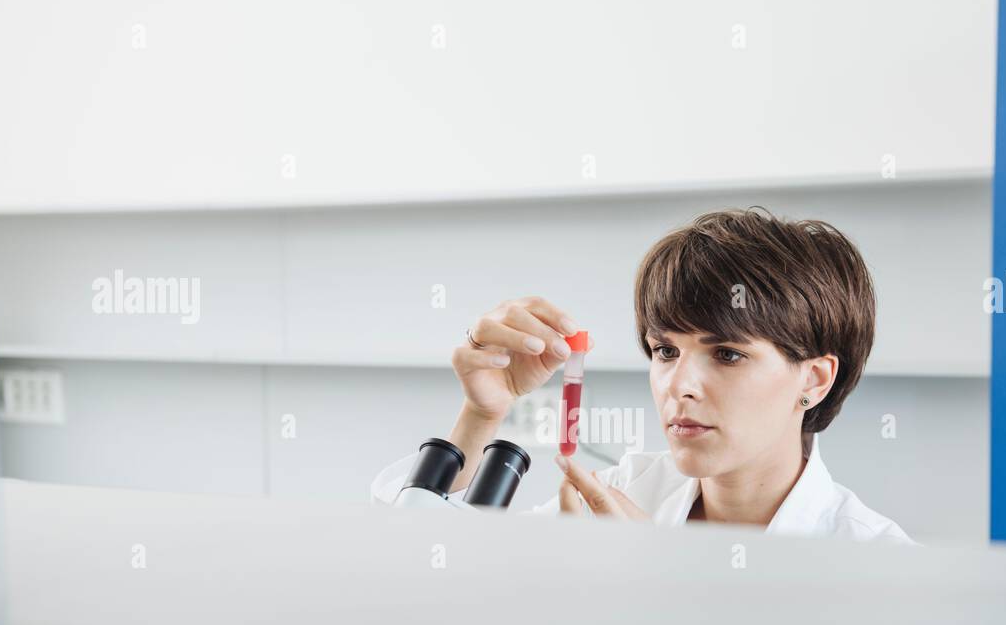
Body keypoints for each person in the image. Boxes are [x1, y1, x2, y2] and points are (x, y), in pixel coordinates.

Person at [371, 207, 913, 544]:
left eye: (726, 354)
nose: (680, 385)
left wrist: (653, 586)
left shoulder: (874, 559)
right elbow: (423, 566)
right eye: (665, 350)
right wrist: (481, 415)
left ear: (814, 379)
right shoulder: (625, 490)